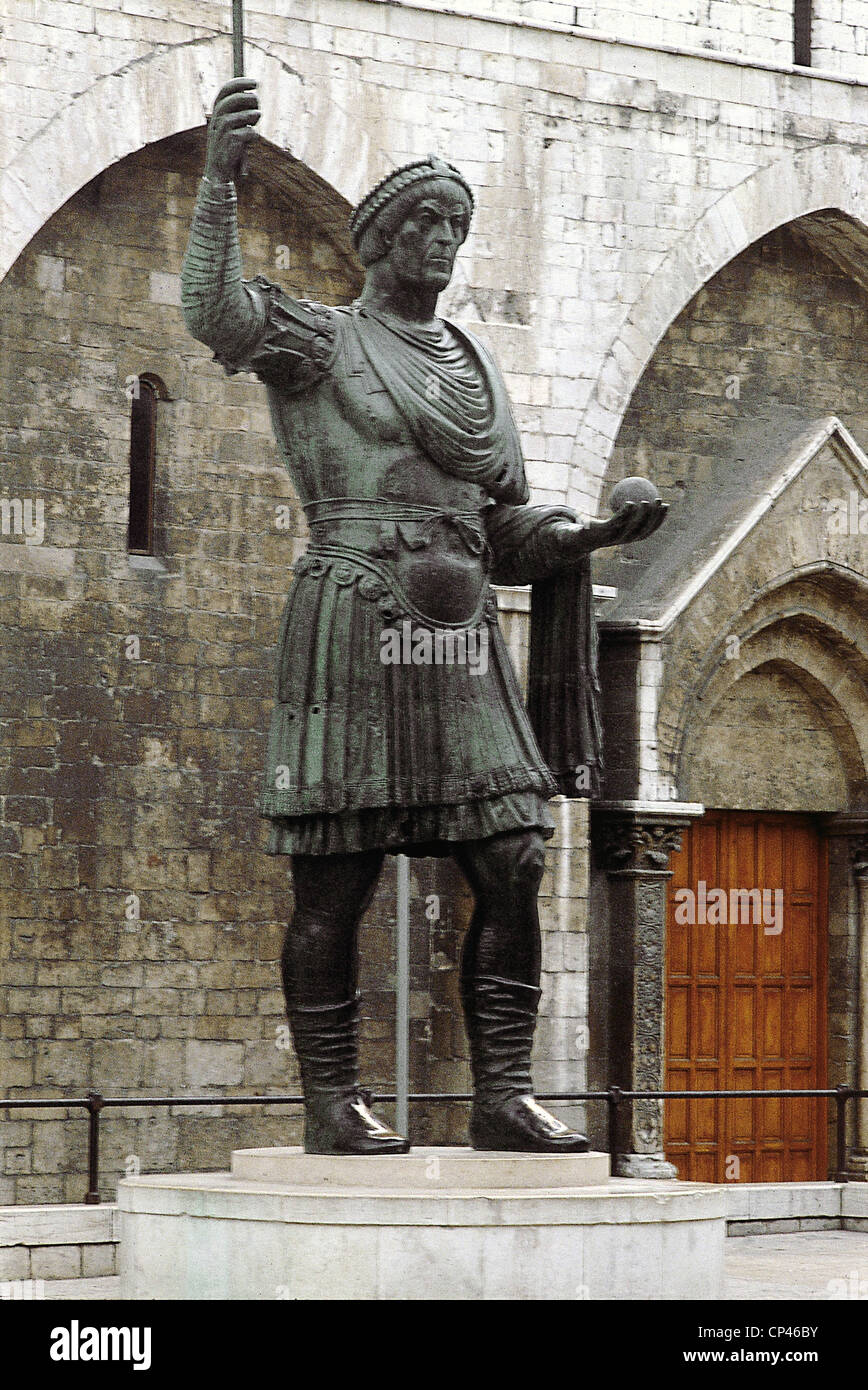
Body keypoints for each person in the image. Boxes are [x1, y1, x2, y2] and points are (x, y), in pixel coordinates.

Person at [181, 79, 666, 1155]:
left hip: (460, 640)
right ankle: (332, 1100)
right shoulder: (320, 340)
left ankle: (501, 1089)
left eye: (457, 224)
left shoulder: (476, 362)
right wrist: (218, 180)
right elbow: (214, 313)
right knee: (336, 876)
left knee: (514, 849)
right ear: (379, 239)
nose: (443, 239)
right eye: (423, 223)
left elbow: (503, 530)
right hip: (357, 617)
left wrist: (589, 538)